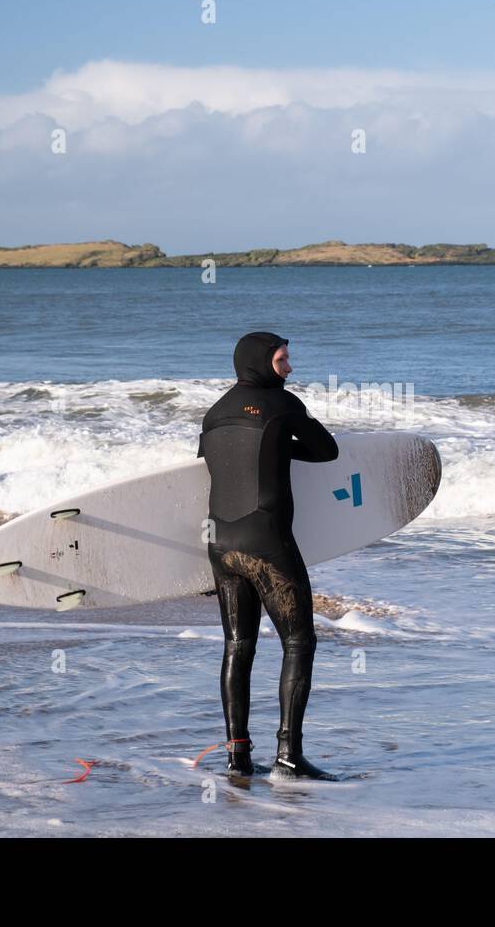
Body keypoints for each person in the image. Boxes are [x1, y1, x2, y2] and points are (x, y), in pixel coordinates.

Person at [197, 331, 340, 780]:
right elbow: (327, 450)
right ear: (262, 362)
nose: (290, 368)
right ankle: (289, 755)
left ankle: (238, 756)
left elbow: (210, 462)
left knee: (238, 645)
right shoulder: (283, 406)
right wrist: (282, 446)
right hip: (267, 544)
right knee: (299, 641)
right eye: (283, 360)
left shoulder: (213, 413)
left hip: (220, 546)